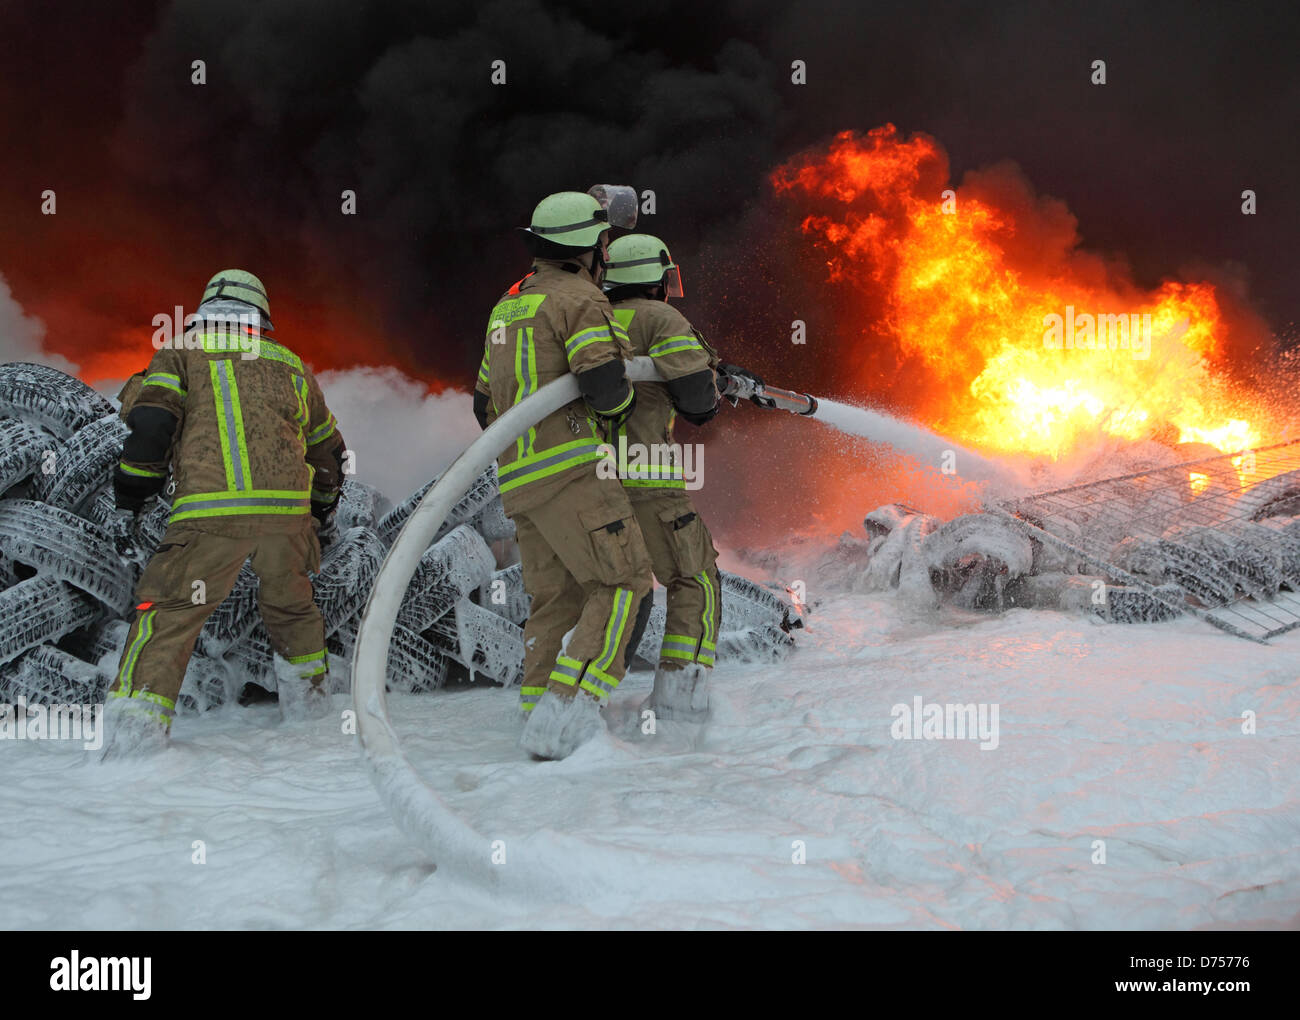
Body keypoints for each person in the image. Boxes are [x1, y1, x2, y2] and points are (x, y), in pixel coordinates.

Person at [102, 269, 347, 756]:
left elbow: (152, 425)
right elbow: (329, 452)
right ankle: (310, 718)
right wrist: (319, 512)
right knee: (294, 609)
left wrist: (132, 494)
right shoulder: (291, 365)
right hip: (286, 520)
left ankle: (133, 742)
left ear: (205, 311)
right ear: (260, 316)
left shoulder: (181, 351)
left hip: (210, 513)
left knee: (170, 612)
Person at [474, 192, 653, 760]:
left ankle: (536, 716)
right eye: (603, 242)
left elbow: (482, 404)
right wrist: (623, 405)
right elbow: (606, 387)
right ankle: (570, 710)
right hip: (573, 470)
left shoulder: (506, 307)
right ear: (588, 246)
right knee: (625, 581)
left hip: (519, 480)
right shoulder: (580, 298)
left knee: (556, 600)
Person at [602, 233, 759, 721]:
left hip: (586, 482)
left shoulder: (589, 318)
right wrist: (715, 387)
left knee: (610, 589)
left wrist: (718, 370)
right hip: (646, 480)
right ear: (655, 279)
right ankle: (680, 704)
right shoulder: (659, 317)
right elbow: (697, 402)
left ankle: (575, 702)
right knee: (695, 580)